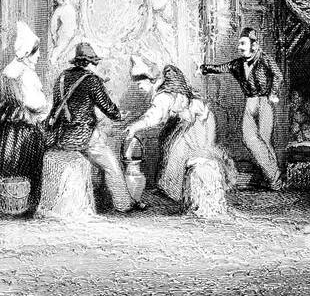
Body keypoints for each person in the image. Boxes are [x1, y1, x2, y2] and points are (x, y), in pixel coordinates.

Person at [46, 42, 144, 213]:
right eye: (95, 62)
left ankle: (103, 199)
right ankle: (123, 204)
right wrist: (120, 115)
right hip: (84, 136)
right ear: (90, 62)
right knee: (112, 166)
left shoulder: (62, 77)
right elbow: (108, 108)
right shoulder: (91, 80)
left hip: (63, 136)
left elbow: (57, 107)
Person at [123, 58, 232, 202]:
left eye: (140, 83)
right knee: (175, 152)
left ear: (150, 80)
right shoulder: (168, 88)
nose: (139, 88)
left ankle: (187, 193)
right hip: (197, 120)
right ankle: (178, 191)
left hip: (198, 123)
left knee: (187, 155)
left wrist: (134, 126)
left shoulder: (163, 96)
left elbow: (153, 117)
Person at [201, 27, 284, 191]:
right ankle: (274, 177)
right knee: (249, 139)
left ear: (254, 45)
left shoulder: (265, 59)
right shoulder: (238, 64)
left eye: (243, 43)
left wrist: (273, 92)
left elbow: (278, 75)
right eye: (239, 44)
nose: (239, 47)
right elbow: (222, 68)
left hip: (264, 102)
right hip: (249, 102)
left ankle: (273, 180)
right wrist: (204, 68)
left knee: (264, 142)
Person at [0, 21, 49, 204]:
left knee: (5, 158)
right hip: (23, 124)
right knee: (24, 161)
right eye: (36, 52)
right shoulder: (25, 73)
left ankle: (7, 200)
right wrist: (46, 107)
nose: (39, 55)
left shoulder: (9, 71)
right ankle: (24, 202)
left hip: (6, 121)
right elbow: (34, 102)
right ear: (27, 53)